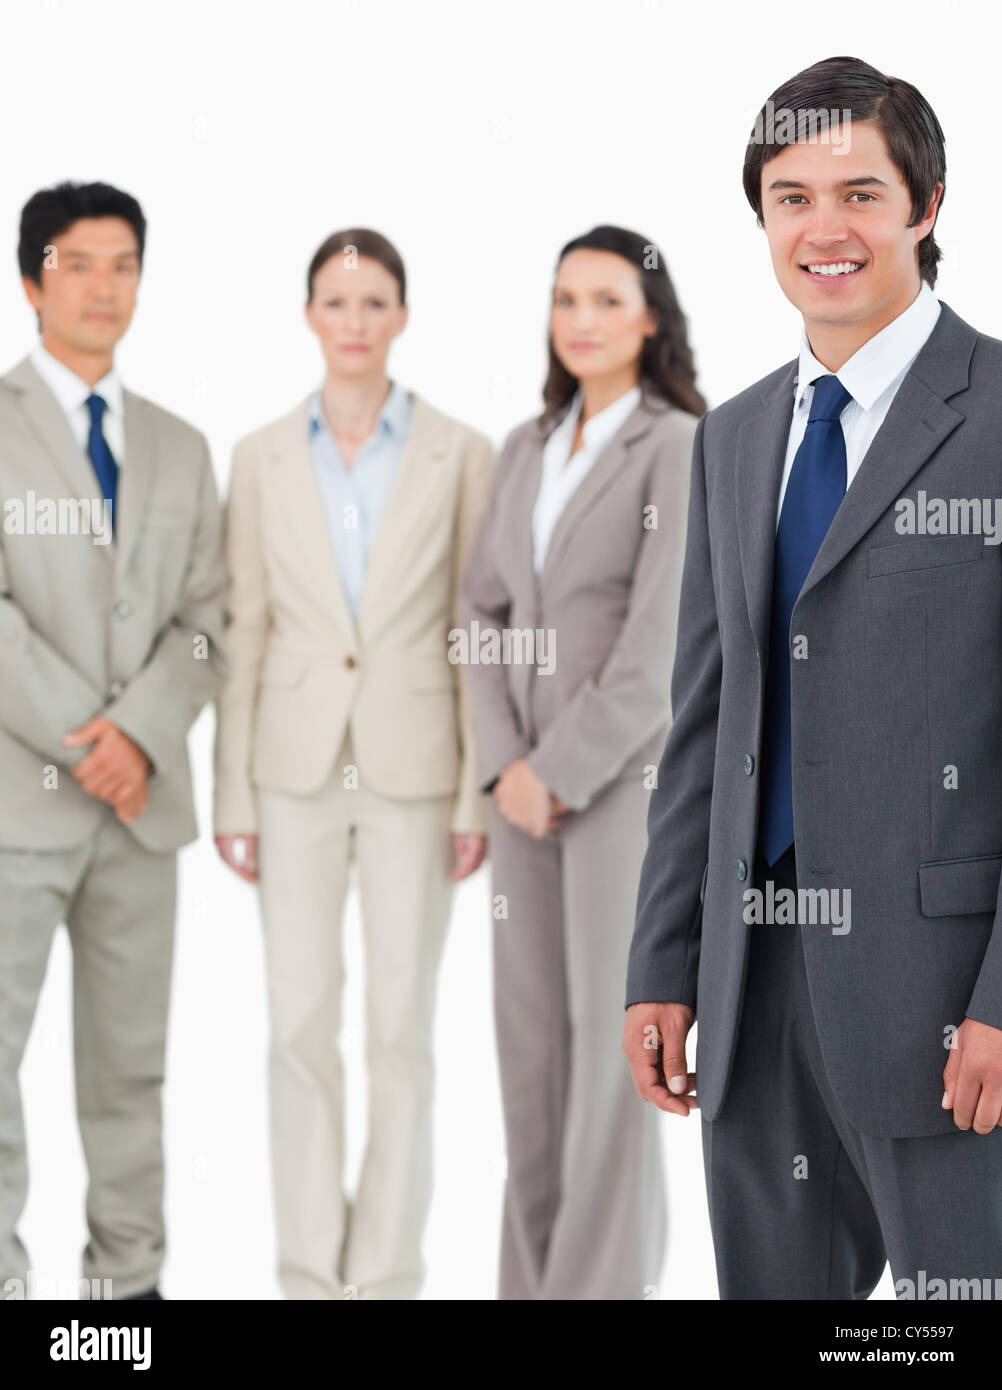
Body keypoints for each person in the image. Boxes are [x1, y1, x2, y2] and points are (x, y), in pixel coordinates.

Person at [625, 54, 1002, 1300]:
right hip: (750, 994)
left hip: (942, 1001)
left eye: (857, 192)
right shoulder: (733, 436)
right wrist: (661, 965)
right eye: (789, 197)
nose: (822, 228)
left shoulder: (997, 411)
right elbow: (704, 720)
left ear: (925, 204)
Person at [213, 227, 493, 1300]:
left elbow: (475, 626)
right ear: (308, 315)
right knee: (296, 1027)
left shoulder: (459, 450)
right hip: (288, 768)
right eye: (336, 301)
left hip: (414, 768)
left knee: (398, 1033)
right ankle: (304, 1274)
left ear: (402, 316)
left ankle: (384, 1276)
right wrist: (231, 789)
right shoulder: (259, 454)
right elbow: (245, 627)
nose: (355, 321)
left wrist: (472, 785)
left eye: (374, 301)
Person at [461, 225, 703, 1299]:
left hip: (618, 793)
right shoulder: (525, 445)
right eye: (565, 299)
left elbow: (659, 649)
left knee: (609, 1070)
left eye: (606, 299)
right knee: (529, 1061)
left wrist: (558, 768)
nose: (582, 320)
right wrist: (508, 763)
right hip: (518, 796)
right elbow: (477, 609)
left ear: (649, 317)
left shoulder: (677, 445)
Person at [0, 181, 225, 1301]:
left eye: (123, 263)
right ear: (33, 277)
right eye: (79, 262)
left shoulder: (182, 447)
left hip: (140, 817)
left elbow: (208, 619)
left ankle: (125, 1299)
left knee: (129, 1073)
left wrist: (135, 738)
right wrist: (84, 735)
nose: (103, 285)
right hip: (17, 812)